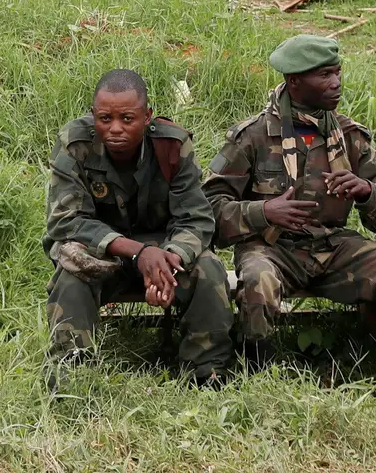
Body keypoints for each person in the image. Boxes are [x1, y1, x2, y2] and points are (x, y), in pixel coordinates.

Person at [205, 35, 376, 400]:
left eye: (337, 73)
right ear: (295, 82)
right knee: (258, 279)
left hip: (334, 247)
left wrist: (366, 191)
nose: (336, 83)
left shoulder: (349, 135)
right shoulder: (254, 136)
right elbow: (209, 207)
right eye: (324, 75)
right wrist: (264, 211)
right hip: (273, 248)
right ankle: (257, 384)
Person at [43, 69, 235, 387]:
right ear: (93, 116)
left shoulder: (172, 146)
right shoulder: (76, 144)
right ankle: (71, 369)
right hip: (103, 251)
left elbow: (196, 218)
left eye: (127, 119)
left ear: (146, 117)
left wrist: (169, 260)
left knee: (208, 267)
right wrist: (139, 253)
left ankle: (207, 370)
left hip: (163, 249)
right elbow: (66, 221)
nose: (115, 128)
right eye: (105, 119)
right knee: (72, 267)